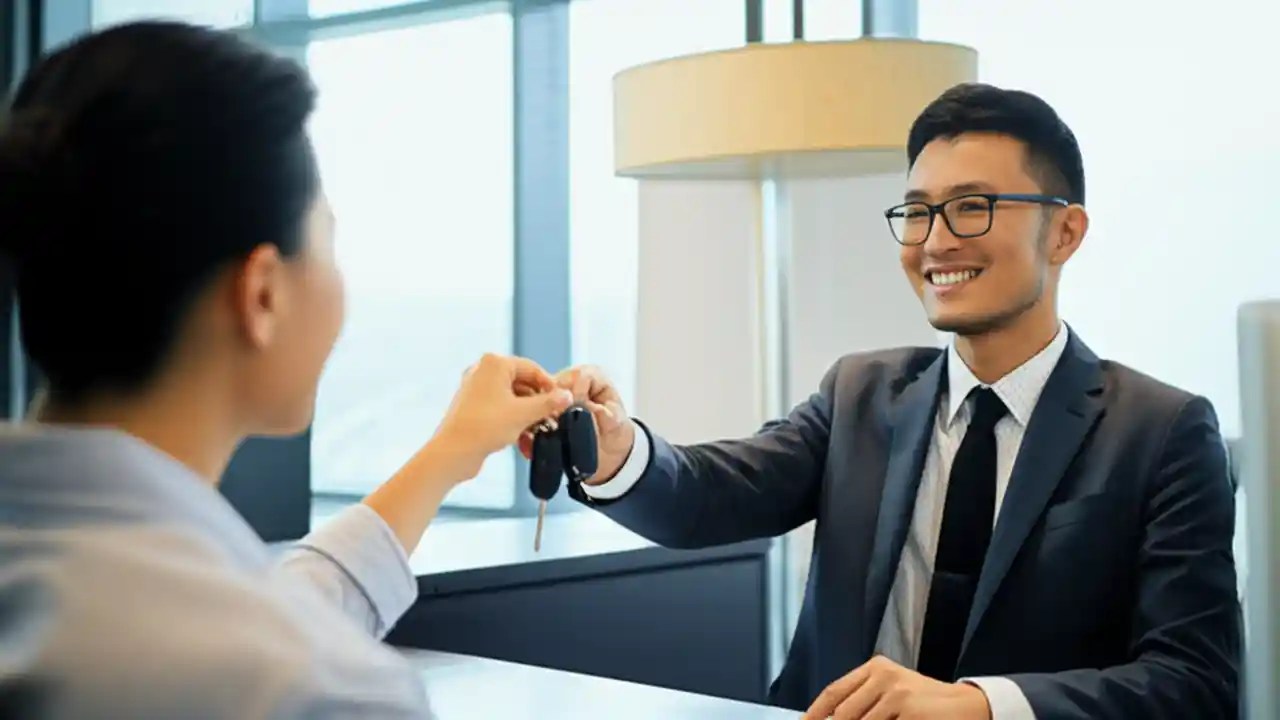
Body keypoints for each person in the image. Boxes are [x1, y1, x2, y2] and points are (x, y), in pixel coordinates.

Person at [553, 83, 1241, 720]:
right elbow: (707, 496)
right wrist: (618, 452)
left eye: (972, 207)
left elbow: (1195, 681)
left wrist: (977, 706)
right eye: (917, 211)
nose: (936, 240)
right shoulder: (861, 393)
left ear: (1064, 232)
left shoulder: (1162, 431)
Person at [0, 21, 572, 719]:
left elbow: (241, 606)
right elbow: (251, 641)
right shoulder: (318, 691)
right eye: (327, 240)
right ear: (262, 294)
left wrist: (449, 455)